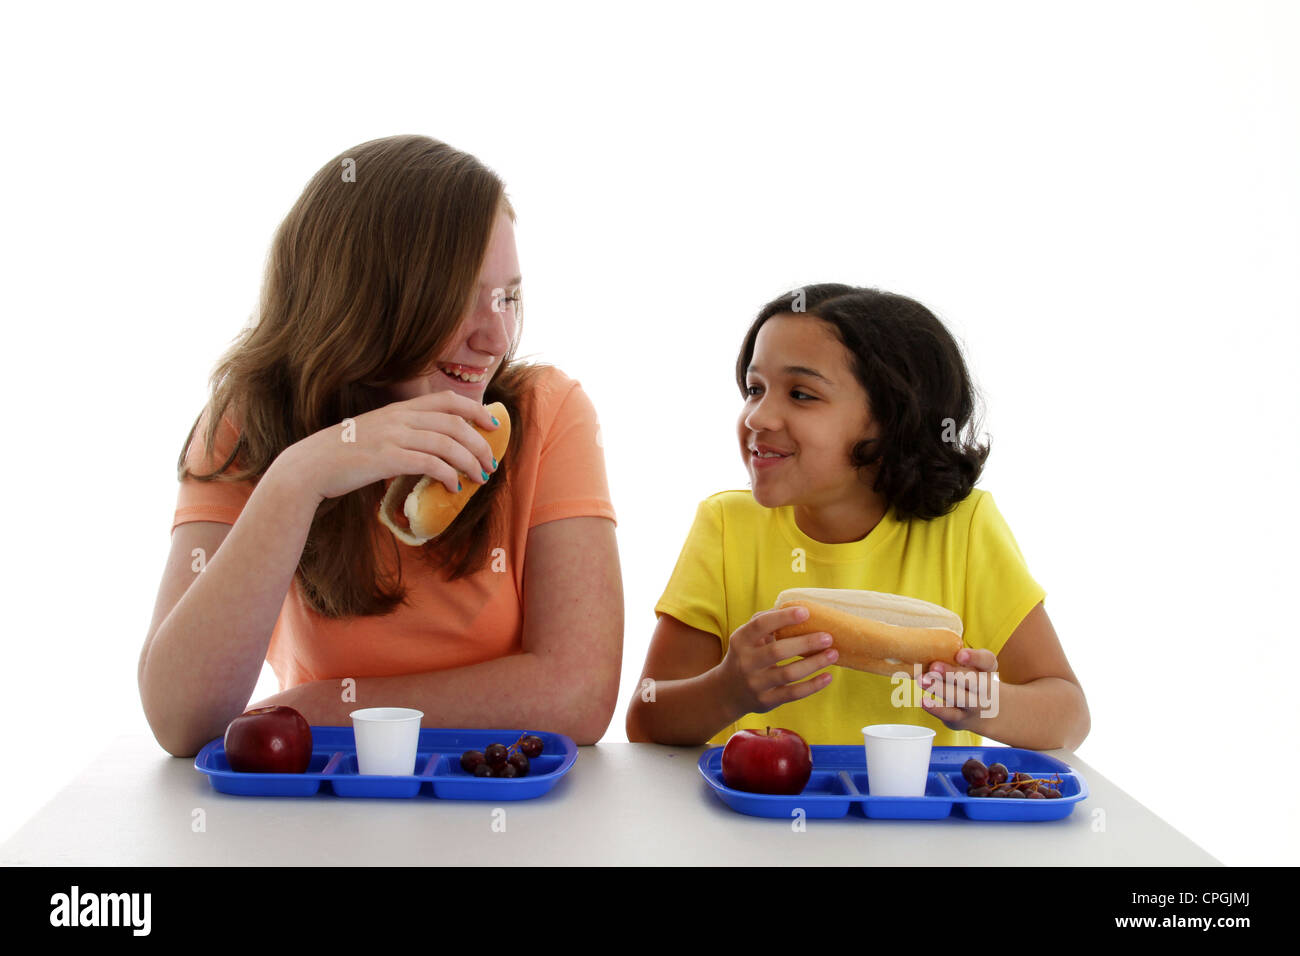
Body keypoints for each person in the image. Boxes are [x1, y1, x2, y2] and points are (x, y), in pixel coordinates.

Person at [140, 135, 623, 757]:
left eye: (507, 297)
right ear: (362, 298)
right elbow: (181, 719)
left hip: (499, 800)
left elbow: (578, 695)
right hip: (326, 807)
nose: (496, 337)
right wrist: (298, 479)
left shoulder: (546, 412)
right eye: (459, 299)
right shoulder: (248, 421)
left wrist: (322, 705)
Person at [626, 284, 1088, 750]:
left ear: (893, 419)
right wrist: (727, 690)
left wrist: (986, 704)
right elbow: (646, 720)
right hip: (758, 816)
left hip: (920, 820)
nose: (758, 417)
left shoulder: (965, 529)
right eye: (754, 389)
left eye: (801, 394)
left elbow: (1069, 716)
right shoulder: (727, 525)